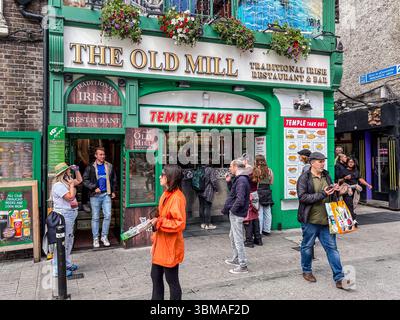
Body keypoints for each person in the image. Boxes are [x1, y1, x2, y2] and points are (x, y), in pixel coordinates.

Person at [297, 152, 350, 290]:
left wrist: (336, 190)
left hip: (327, 220)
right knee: (307, 246)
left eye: (323, 161)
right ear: (312, 162)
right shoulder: (304, 178)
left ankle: (339, 278)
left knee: (332, 249)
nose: (322, 163)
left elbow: (330, 194)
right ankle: (307, 271)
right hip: (310, 220)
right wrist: (323, 194)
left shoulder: (326, 175)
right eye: (320, 161)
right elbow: (303, 197)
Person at [150, 165, 186, 300]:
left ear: (170, 178)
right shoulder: (166, 194)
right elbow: (163, 215)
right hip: (161, 244)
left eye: (162, 175)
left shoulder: (177, 197)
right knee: (155, 276)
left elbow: (179, 223)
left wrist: (159, 222)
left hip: (170, 246)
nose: (160, 177)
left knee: (172, 281)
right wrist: (155, 218)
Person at [50, 162, 82, 277]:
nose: (70, 171)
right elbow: (70, 197)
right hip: (63, 215)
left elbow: (79, 180)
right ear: (63, 173)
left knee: (69, 240)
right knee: (61, 242)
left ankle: (66, 264)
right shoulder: (58, 185)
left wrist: (77, 170)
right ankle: (57, 268)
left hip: (70, 214)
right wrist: (72, 185)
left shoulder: (66, 181)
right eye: (68, 170)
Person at [83, 147, 117, 248]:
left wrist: (114, 191)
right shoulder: (90, 167)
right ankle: (95, 238)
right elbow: (85, 180)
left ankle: (104, 236)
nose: (102, 156)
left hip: (106, 194)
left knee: (108, 215)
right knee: (95, 217)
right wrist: (93, 188)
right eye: (100, 154)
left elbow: (114, 179)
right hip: (95, 196)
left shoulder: (109, 166)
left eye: (103, 154)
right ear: (96, 155)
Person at [222, 159, 251, 274]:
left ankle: (242, 265)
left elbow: (240, 199)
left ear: (235, 166)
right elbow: (234, 194)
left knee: (238, 239)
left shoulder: (242, 180)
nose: (229, 168)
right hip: (236, 213)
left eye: (230, 166)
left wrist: (232, 210)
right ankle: (236, 258)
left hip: (237, 214)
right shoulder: (239, 179)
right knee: (232, 236)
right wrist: (229, 182)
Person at [342, 157, 373, 226]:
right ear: (347, 163)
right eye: (349, 162)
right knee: (349, 204)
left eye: (352, 162)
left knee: (353, 205)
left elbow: (360, 179)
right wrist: (344, 178)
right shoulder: (343, 171)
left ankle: (349, 219)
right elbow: (339, 180)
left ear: (354, 163)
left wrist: (368, 185)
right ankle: (354, 220)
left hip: (355, 190)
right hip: (347, 190)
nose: (351, 163)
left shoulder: (356, 171)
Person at [255, 155, 274, 236]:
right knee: (268, 211)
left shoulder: (256, 170)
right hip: (267, 191)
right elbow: (271, 182)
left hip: (259, 191)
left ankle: (259, 232)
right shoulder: (269, 170)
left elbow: (255, 182)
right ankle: (267, 230)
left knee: (260, 212)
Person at [198, 164, 219, 230]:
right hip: (208, 191)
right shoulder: (210, 169)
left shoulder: (199, 168)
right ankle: (208, 224)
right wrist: (216, 189)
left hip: (199, 191)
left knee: (201, 206)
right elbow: (213, 180)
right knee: (207, 207)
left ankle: (202, 223)